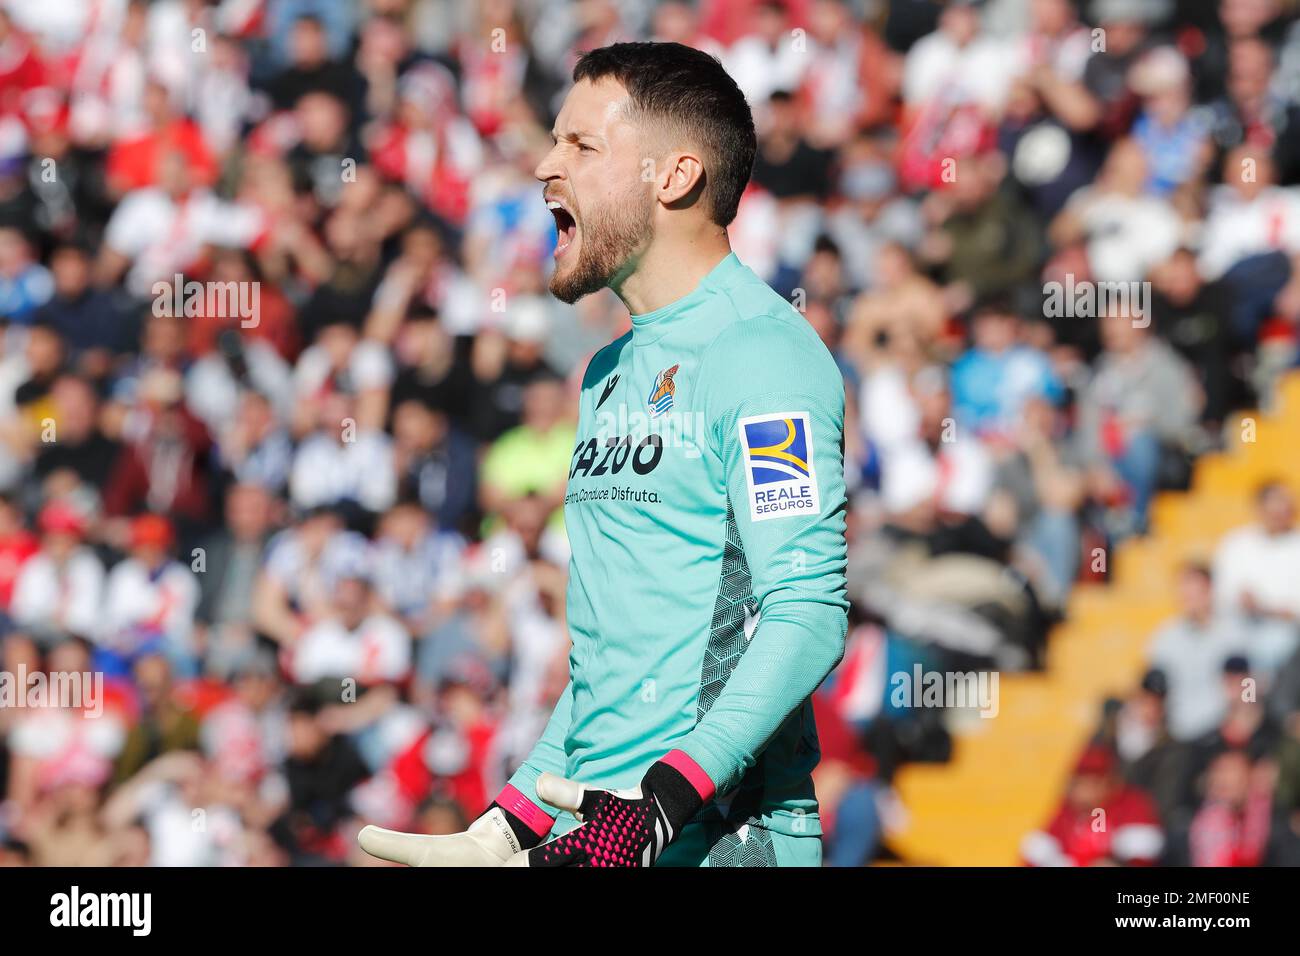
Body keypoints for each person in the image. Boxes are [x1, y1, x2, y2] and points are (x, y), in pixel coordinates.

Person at [360, 41, 848, 868]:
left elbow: (807, 614)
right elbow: (609, 660)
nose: (547, 164)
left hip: (721, 840)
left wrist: (659, 808)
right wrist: (509, 819)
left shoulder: (763, 355)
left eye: (582, 145)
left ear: (674, 176)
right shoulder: (604, 373)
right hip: (590, 841)